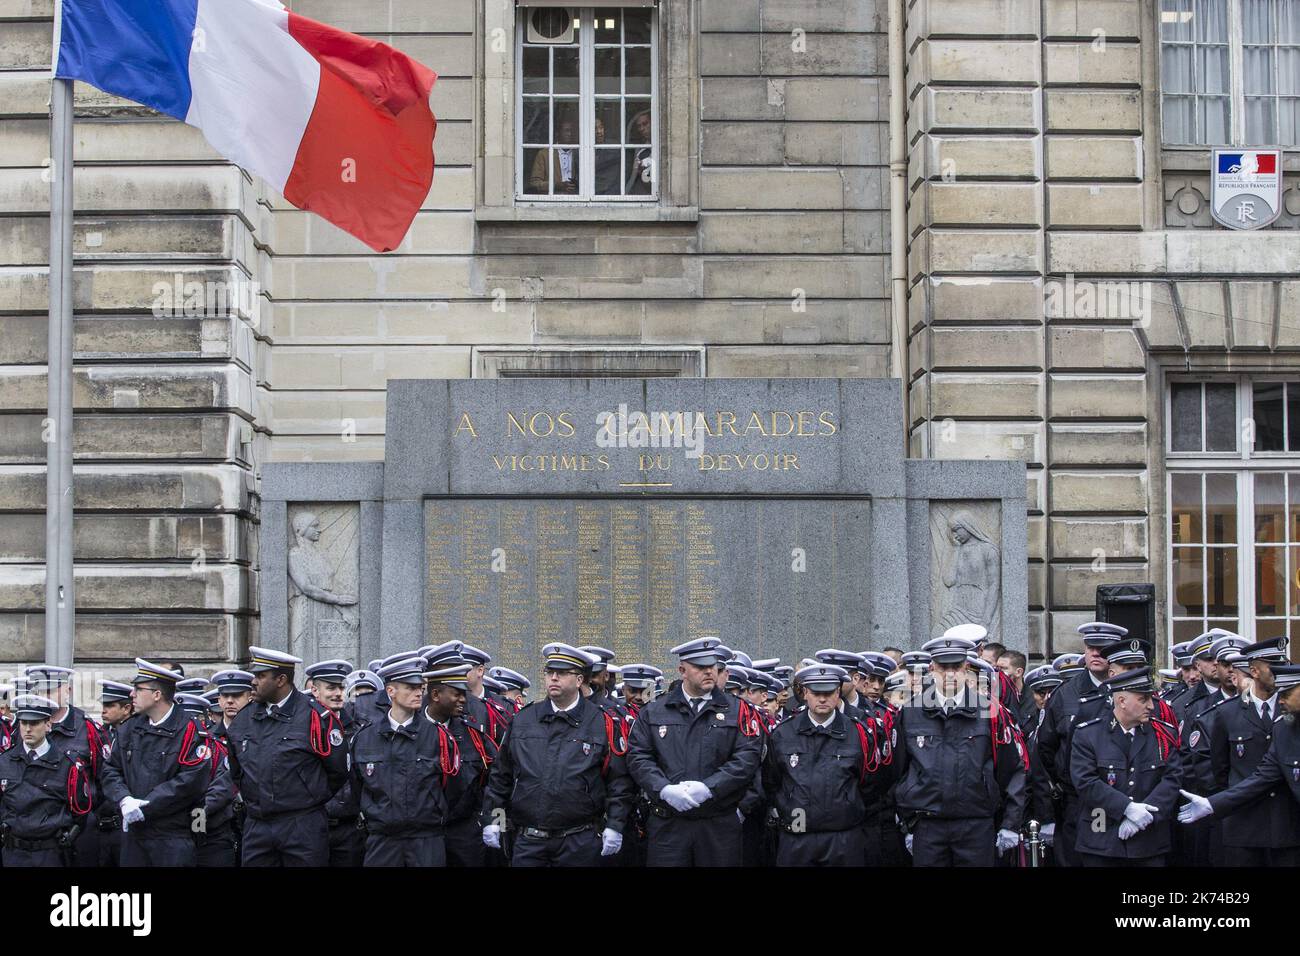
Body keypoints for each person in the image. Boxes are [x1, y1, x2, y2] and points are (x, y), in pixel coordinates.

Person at [482, 644, 633, 867]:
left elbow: (618, 780)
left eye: (562, 673)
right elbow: (501, 774)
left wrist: (614, 825)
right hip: (529, 839)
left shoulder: (602, 722)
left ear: (580, 680)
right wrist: (493, 819)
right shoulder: (524, 720)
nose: (553, 678)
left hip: (579, 839)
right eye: (549, 672)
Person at [625, 637, 765, 866]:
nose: (709, 671)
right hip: (669, 824)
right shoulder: (655, 711)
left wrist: (709, 788)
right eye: (700, 666)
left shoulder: (739, 711)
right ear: (682, 670)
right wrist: (664, 789)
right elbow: (638, 756)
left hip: (717, 824)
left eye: (713, 666)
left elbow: (747, 759)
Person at [892, 632, 1027, 867]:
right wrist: (907, 822)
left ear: (966, 667)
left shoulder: (989, 712)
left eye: (956, 666)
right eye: (944, 667)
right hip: (928, 824)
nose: (950, 674)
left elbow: (1011, 770)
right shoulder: (911, 712)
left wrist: (1010, 824)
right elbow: (897, 771)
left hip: (976, 825)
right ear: (932, 668)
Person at [223, 647, 348, 866]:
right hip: (257, 825)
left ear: (281, 680)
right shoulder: (244, 719)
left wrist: (307, 799)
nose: (253, 682)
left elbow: (337, 771)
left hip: (302, 825)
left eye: (261, 676)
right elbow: (236, 771)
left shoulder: (315, 717)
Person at [1182, 636, 1299, 866]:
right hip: (1244, 824)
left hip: (1288, 824)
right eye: (1272, 664)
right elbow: (1220, 771)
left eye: (1282, 663)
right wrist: (1217, 803)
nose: (1279, 669)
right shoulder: (1226, 714)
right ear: (1254, 670)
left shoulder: (1291, 715)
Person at [762, 664, 887, 866]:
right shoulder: (783, 733)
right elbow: (772, 782)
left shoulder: (859, 734)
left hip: (843, 837)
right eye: (816, 692)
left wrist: (848, 808)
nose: (822, 698)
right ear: (805, 693)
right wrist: (790, 811)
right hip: (797, 835)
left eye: (828, 692)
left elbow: (871, 785)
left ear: (838, 693)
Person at [349, 656, 458, 866]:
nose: (419, 693)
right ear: (391, 691)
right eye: (410, 687)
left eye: (421, 687)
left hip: (426, 839)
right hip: (383, 840)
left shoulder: (438, 737)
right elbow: (358, 786)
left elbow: (452, 788)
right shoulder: (365, 738)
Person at [100, 660, 211, 867]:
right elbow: (110, 770)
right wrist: (124, 800)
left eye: (138, 689)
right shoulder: (130, 728)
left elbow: (191, 780)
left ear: (157, 695)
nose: (132, 694)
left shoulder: (189, 730)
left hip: (171, 836)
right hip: (134, 834)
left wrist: (147, 805)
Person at [1034, 620, 1127, 866]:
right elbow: (1046, 749)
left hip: (1122, 798)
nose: (1096, 653)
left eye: (1103, 648)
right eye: (1091, 647)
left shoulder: (1128, 690)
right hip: (1076, 800)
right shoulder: (1065, 694)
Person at [1069, 668, 1183, 866]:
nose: (1151, 706)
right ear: (1122, 701)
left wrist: (1144, 816)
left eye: (1151, 698)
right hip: (1101, 839)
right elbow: (1085, 781)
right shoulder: (1088, 734)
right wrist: (1126, 808)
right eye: (1143, 699)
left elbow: (1172, 779)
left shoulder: (1162, 735)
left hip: (1149, 841)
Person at [0, 695, 93, 866]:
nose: (28, 729)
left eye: (34, 723)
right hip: (13, 852)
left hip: (51, 853)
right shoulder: (4, 761)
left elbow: (80, 810)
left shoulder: (67, 765)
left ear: (48, 725)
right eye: (23, 723)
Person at [430, 663, 497, 867]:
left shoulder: (473, 733)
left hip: (465, 829)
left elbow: (495, 778)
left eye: (464, 693)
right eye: (457, 693)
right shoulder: (414, 730)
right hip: (424, 833)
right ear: (435, 695)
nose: (463, 699)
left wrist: (490, 821)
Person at [305, 659, 364, 867]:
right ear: (314, 690)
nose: (338, 693)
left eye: (341, 687)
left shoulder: (358, 729)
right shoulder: (303, 727)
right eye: (331, 688)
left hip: (349, 827)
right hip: (311, 825)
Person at [95, 680, 134, 866]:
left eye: (110, 706)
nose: (104, 710)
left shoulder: (137, 735)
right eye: (103, 705)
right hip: (101, 821)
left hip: (126, 821)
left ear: (126, 708)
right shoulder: (98, 734)